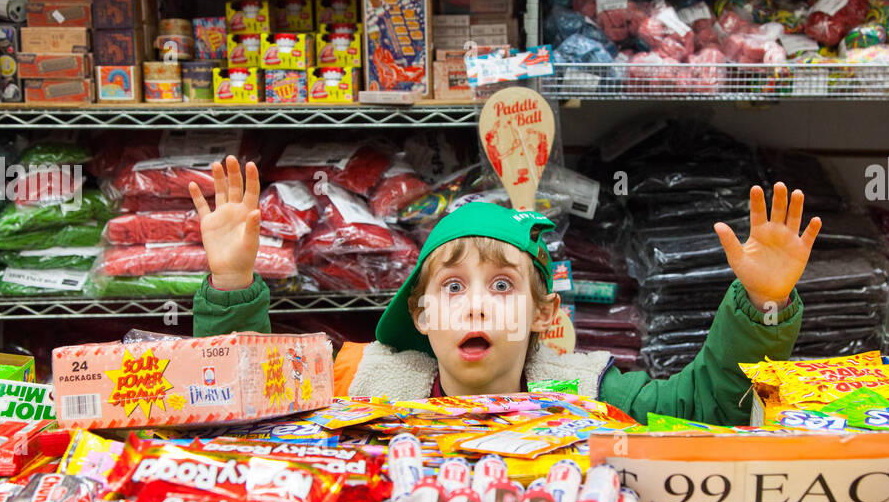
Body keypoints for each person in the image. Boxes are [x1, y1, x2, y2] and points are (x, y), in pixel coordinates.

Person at [188, 155, 821, 424]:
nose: (478, 303)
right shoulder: (366, 378)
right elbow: (241, 396)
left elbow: (708, 410)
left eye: (501, 284)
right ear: (421, 309)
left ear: (544, 312)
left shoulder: (590, 388)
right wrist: (234, 280)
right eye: (454, 286)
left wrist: (762, 306)